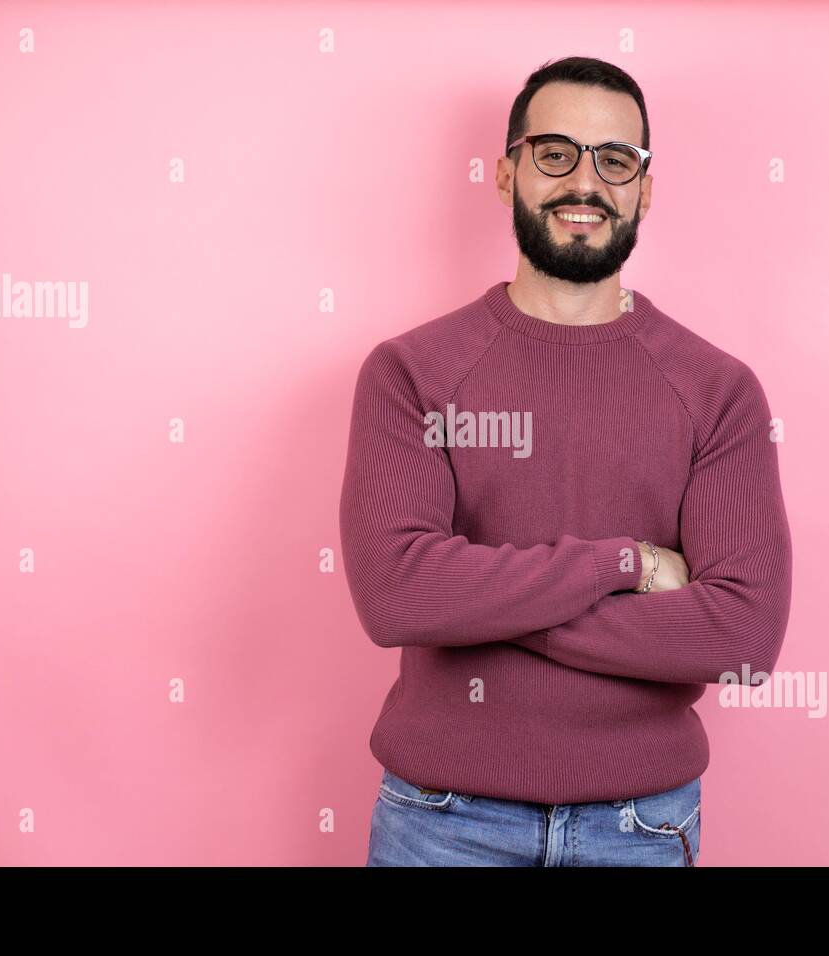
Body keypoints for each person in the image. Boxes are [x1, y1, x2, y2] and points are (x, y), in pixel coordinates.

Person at [338, 56, 792, 866]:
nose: (584, 183)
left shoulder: (717, 390)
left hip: (644, 827)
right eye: (555, 153)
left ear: (644, 189)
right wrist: (627, 561)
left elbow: (745, 639)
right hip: (442, 825)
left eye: (615, 161)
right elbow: (398, 595)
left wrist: (482, 606)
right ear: (507, 171)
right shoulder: (412, 373)